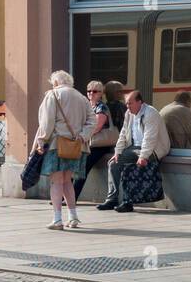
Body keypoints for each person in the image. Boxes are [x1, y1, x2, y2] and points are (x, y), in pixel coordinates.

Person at [33, 70, 97, 230]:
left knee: (56, 182)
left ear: (55, 83)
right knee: (67, 181)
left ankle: (57, 219)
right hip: (76, 146)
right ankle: (73, 217)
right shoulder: (82, 98)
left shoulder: (53, 95)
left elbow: (46, 123)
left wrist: (41, 140)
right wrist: (82, 136)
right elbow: (92, 120)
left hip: (57, 145)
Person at [103, 90, 172, 212]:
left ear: (140, 102)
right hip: (134, 147)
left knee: (129, 167)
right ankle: (112, 199)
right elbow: (123, 134)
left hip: (153, 148)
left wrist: (144, 156)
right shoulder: (129, 113)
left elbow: (149, 138)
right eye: (126, 104)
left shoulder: (151, 113)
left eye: (130, 103)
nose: (128, 106)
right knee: (113, 163)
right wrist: (117, 152)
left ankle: (127, 202)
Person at [73, 80, 113, 203]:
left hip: (99, 144)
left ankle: (72, 197)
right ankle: (64, 196)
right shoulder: (87, 106)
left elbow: (96, 127)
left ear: (101, 93)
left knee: (83, 167)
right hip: (87, 142)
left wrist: (81, 134)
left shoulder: (102, 107)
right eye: (89, 91)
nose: (91, 93)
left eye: (95, 91)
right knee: (71, 165)